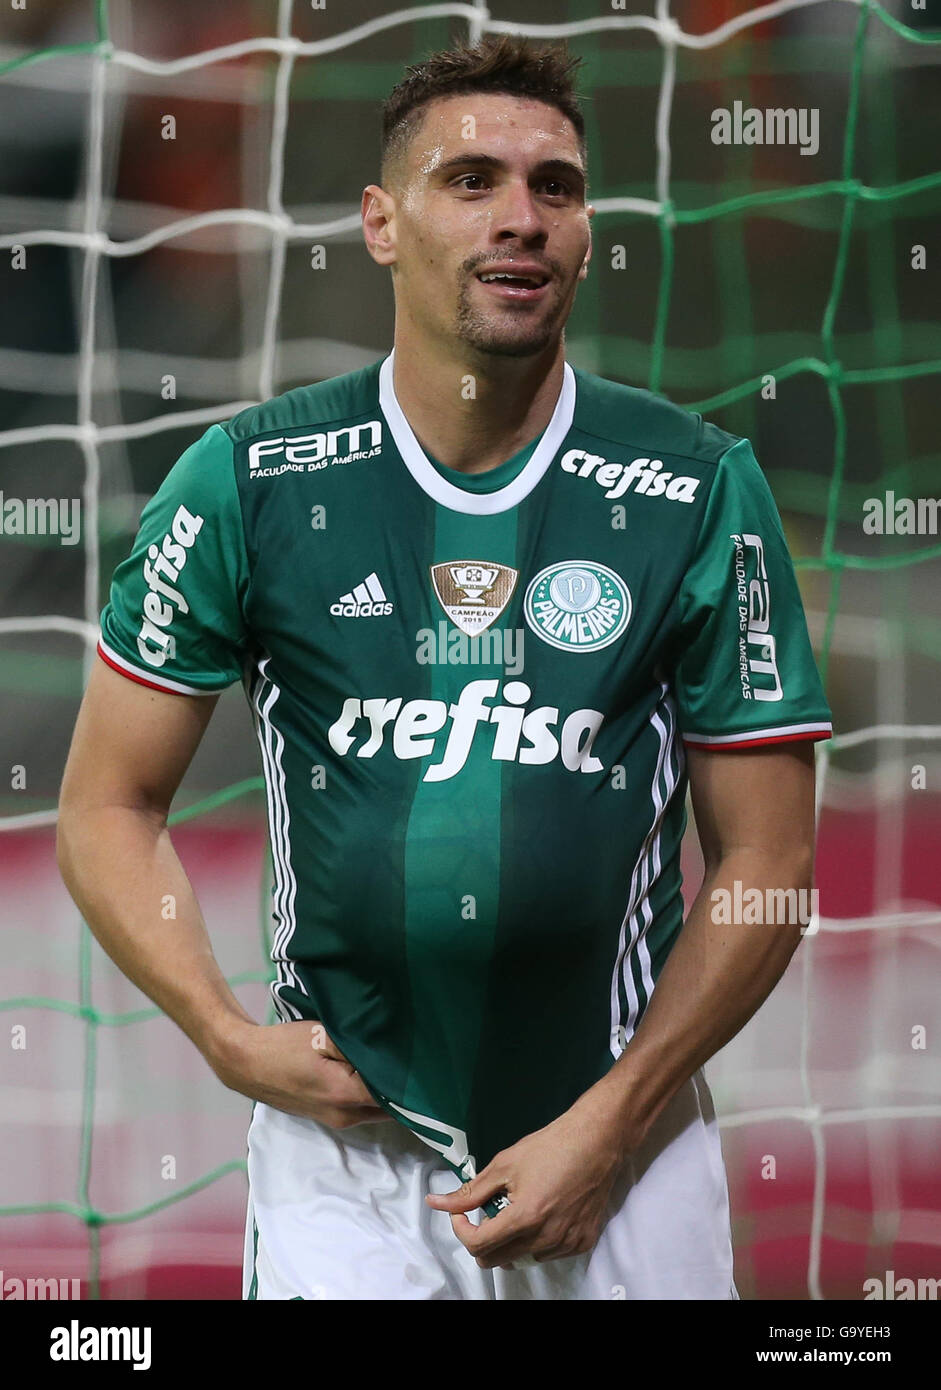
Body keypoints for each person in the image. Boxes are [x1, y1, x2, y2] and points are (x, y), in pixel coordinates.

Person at [57, 34, 832, 1301]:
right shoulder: (249, 482)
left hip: (624, 1153)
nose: (520, 219)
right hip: (346, 1163)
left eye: (555, 189)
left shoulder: (694, 485)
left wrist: (619, 1116)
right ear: (379, 221)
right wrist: (221, 1032)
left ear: (586, 232)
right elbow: (104, 801)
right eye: (470, 180)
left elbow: (768, 861)